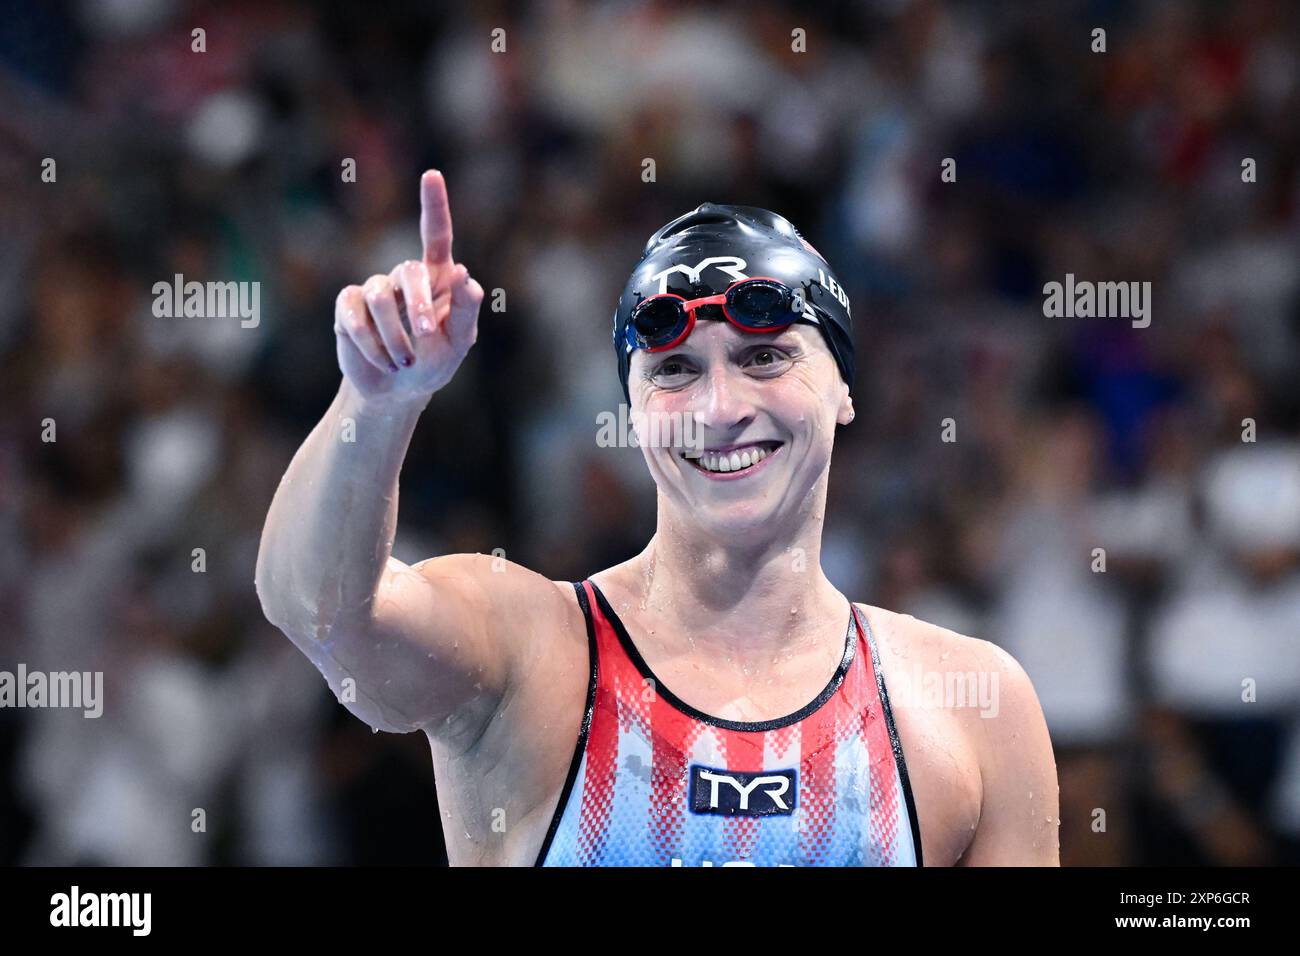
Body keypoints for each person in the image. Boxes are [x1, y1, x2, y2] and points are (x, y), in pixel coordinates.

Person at [255, 170, 1060, 866]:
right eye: (675, 370)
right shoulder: (529, 654)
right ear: (634, 412)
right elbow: (316, 613)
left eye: (765, 356)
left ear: (845, 388)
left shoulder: (969, 706)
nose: (719, 408)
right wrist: (376, 401)